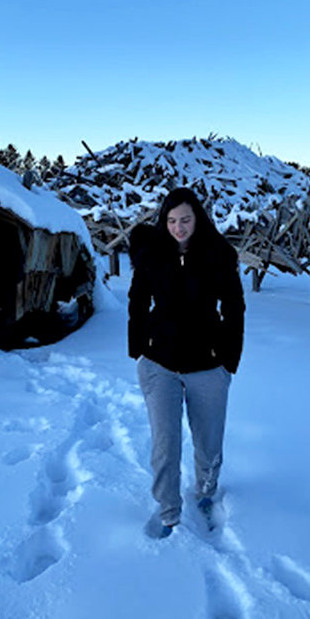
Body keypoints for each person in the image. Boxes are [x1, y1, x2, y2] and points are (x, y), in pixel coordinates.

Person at [128, 187, 245, 538]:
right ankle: (168, 513)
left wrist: (228, 360)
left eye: (186, 220)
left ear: (198, 219)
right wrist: (139, 347)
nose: (178, 227)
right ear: (164, 222)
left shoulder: (218, 254)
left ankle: (206, 495)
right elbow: (137, 299)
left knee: (208, 444)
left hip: (208, 367)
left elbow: (234, 307)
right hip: (159, 365)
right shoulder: (152, 254)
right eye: (172, 220)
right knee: (165, 445)